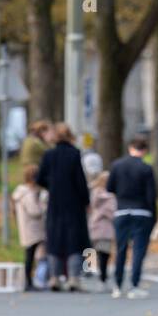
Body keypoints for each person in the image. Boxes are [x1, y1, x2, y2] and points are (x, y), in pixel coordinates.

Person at [37, 122, 91, 292]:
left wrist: (51, 186)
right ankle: (73, 278)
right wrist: (86, 200)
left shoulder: (48, 155)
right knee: (74, 241)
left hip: (55, 203)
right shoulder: (74, 154)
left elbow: (40, 178)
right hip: (73, 204)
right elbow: (80, 181)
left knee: (54, 240)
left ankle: (54, 277)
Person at [106, 136, 157, 299]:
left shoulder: (116, 165)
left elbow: (110, 188)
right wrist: (153, 216)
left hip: (121, 211)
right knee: (138, 250)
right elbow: (151, 196)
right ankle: (134, 285)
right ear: (145, 151)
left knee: (120, 249)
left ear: (130, 148)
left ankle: (117, 285)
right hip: (142, 212)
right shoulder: (146, 168)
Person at [86, 162, 115, 290]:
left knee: (91, 249)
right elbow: (113, 212)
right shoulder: (111, 196)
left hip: (94, 225)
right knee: (104, 253)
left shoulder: (93, 193)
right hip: (106, 228)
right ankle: (102, 277)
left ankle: (90, 270)